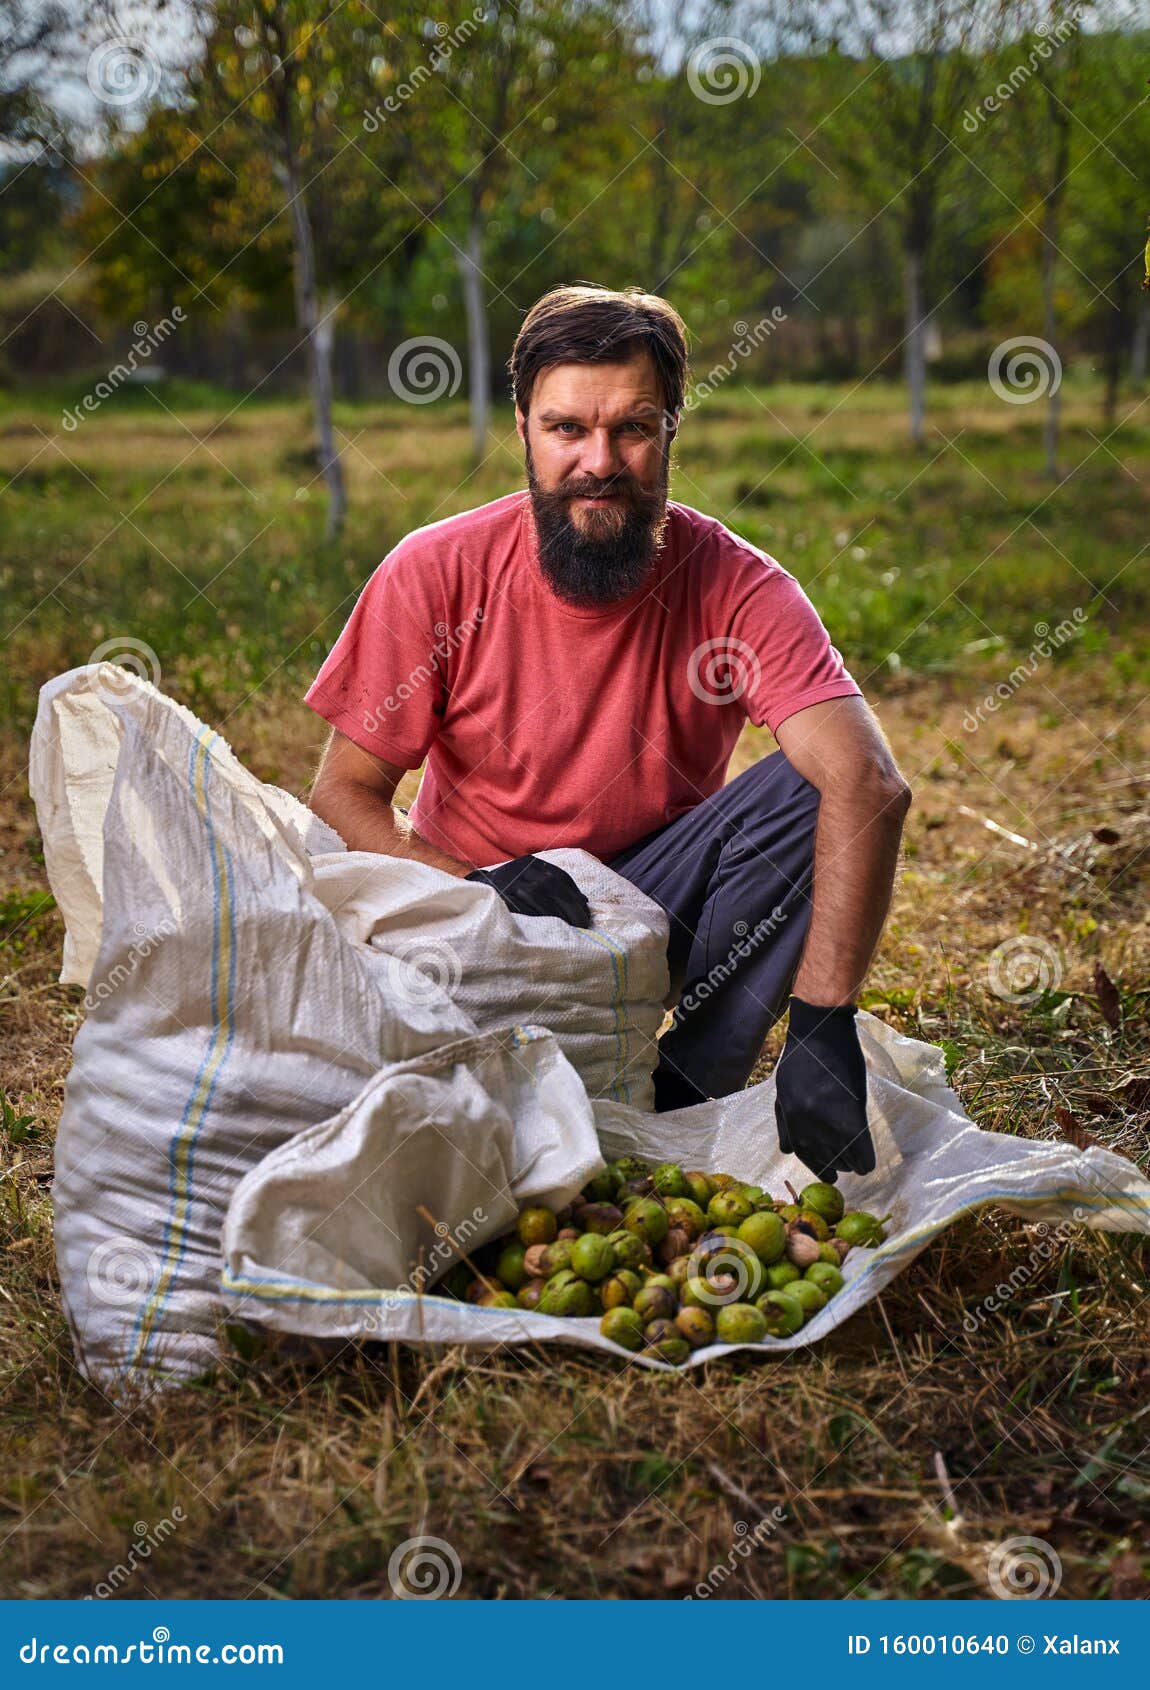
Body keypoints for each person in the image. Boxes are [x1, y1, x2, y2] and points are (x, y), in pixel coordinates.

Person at [305, 283, 912, 1182]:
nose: (601, 462)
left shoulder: (738, 585)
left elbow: (872, 785)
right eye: (566, 430)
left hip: (644, 925)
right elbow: (342, 794)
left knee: (808, 789)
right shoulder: (434, 571)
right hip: (472, 934)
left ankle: (684, 1092)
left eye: (633, 427)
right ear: (522, 428)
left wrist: (825, 1025)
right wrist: (476, 886)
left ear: (673, 429)